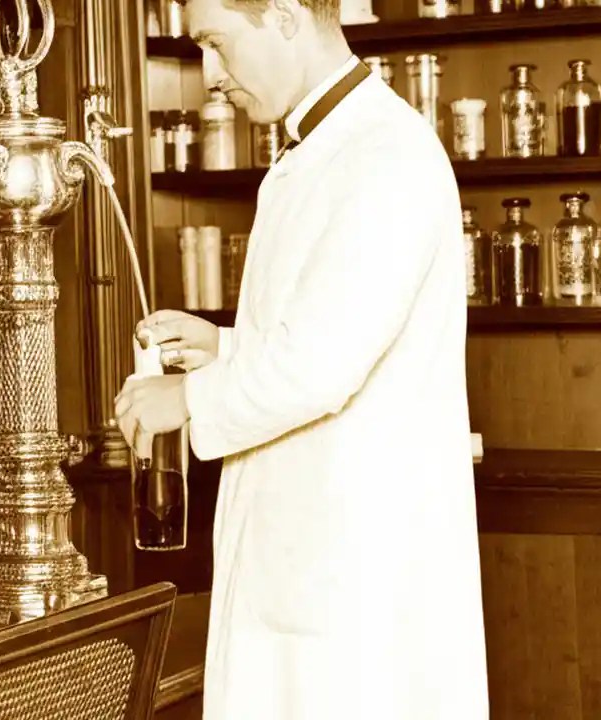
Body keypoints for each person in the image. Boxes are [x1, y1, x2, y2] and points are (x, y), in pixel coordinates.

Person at [113, 1, 488, 718]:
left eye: (218, 44)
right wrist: (224, 348)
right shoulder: (320, 149)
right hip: (311, 558)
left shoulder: (383, 155)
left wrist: (186, 401)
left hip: (352, 575)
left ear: (285, 16)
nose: (210, 76)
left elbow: (321, 364)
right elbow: (336, 330)